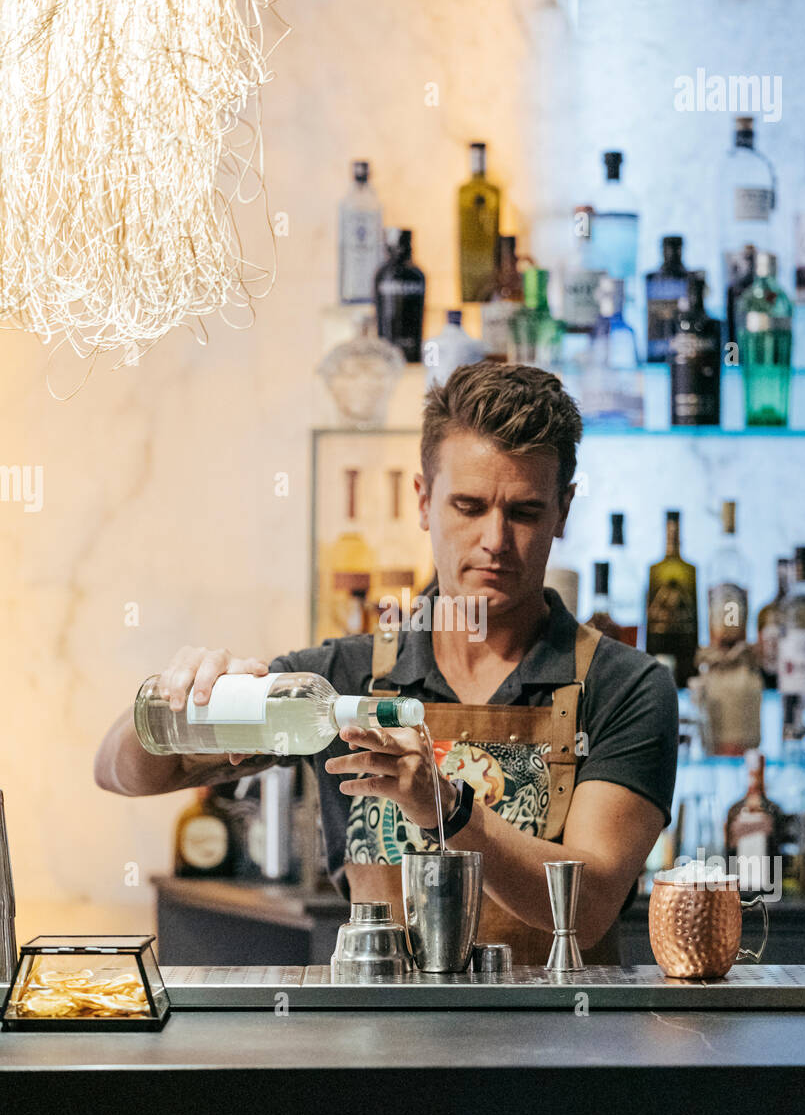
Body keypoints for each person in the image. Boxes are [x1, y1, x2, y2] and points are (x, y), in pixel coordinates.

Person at [95, 362, 678, 964]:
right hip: (378, 1043)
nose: (495, 540)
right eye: (469, 506)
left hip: (556, 1043)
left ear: (564, 510)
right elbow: (120, 773)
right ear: (423, 500)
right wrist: (175, 698)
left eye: (525, 512)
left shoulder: (625, 687)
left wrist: (448, 810)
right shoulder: (339, 680)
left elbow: (590, 905)